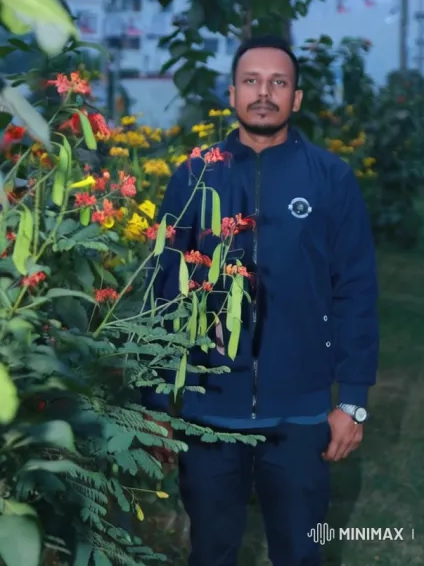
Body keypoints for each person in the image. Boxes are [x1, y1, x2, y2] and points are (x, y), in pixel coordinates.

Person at [143, 35, 379, 566]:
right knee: (211, 552)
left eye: (278, 82)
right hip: (208, 410)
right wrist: (155, 404)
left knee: (300, 555)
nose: (264, 93)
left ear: (296, 98)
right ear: (232, 93)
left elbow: (356, 290)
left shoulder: (331, 178)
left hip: (299, 417)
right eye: (252, 81)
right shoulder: (195, 174)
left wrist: (354, 398)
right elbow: (162, 291)